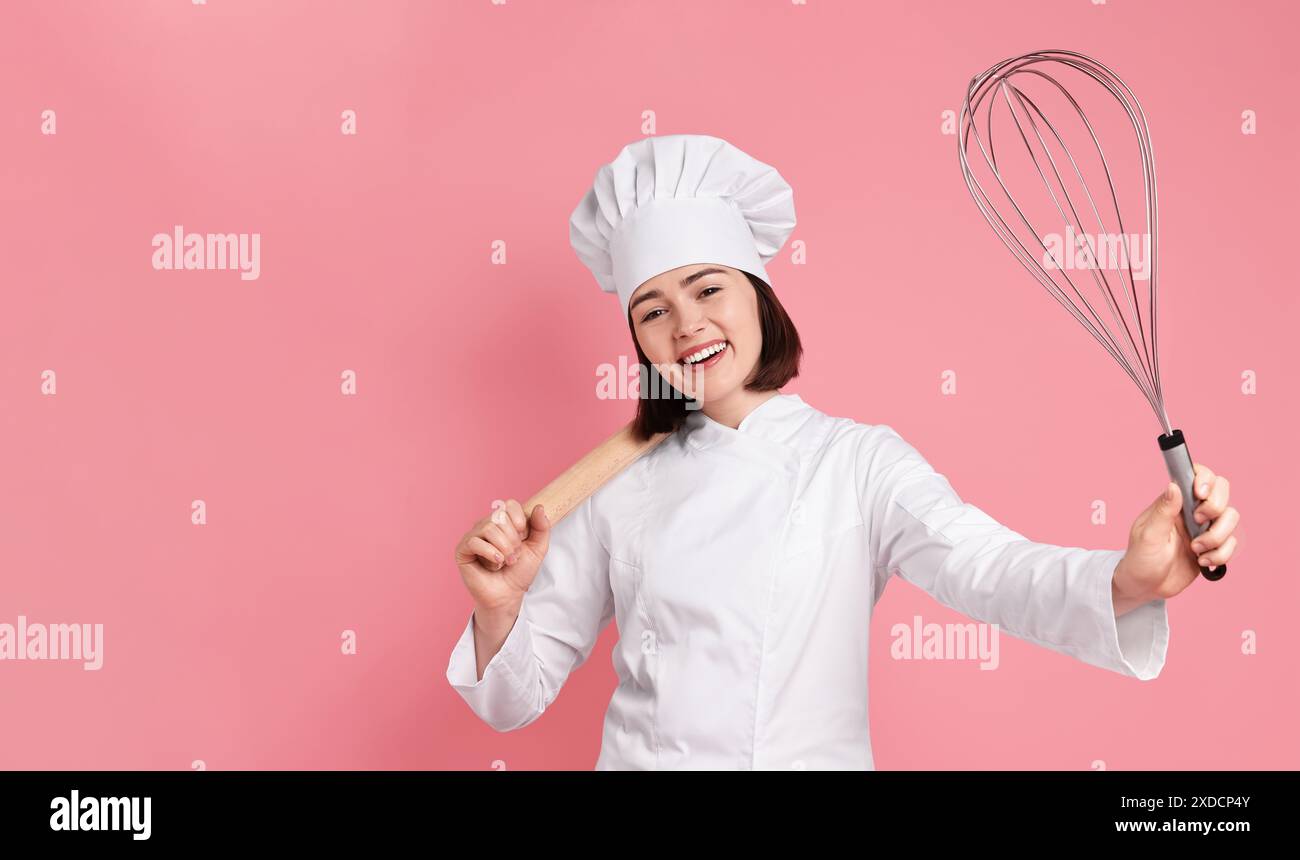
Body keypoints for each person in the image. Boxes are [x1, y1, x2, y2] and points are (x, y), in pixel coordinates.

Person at [446, 134, 1240, 770]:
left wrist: (1125, 580)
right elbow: (515, 699)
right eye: (653, 310)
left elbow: (987, 569)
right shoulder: (616, 489)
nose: (686, 326)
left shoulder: (857, 463)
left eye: (709, 288)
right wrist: (500, 607)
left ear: (760, 295)